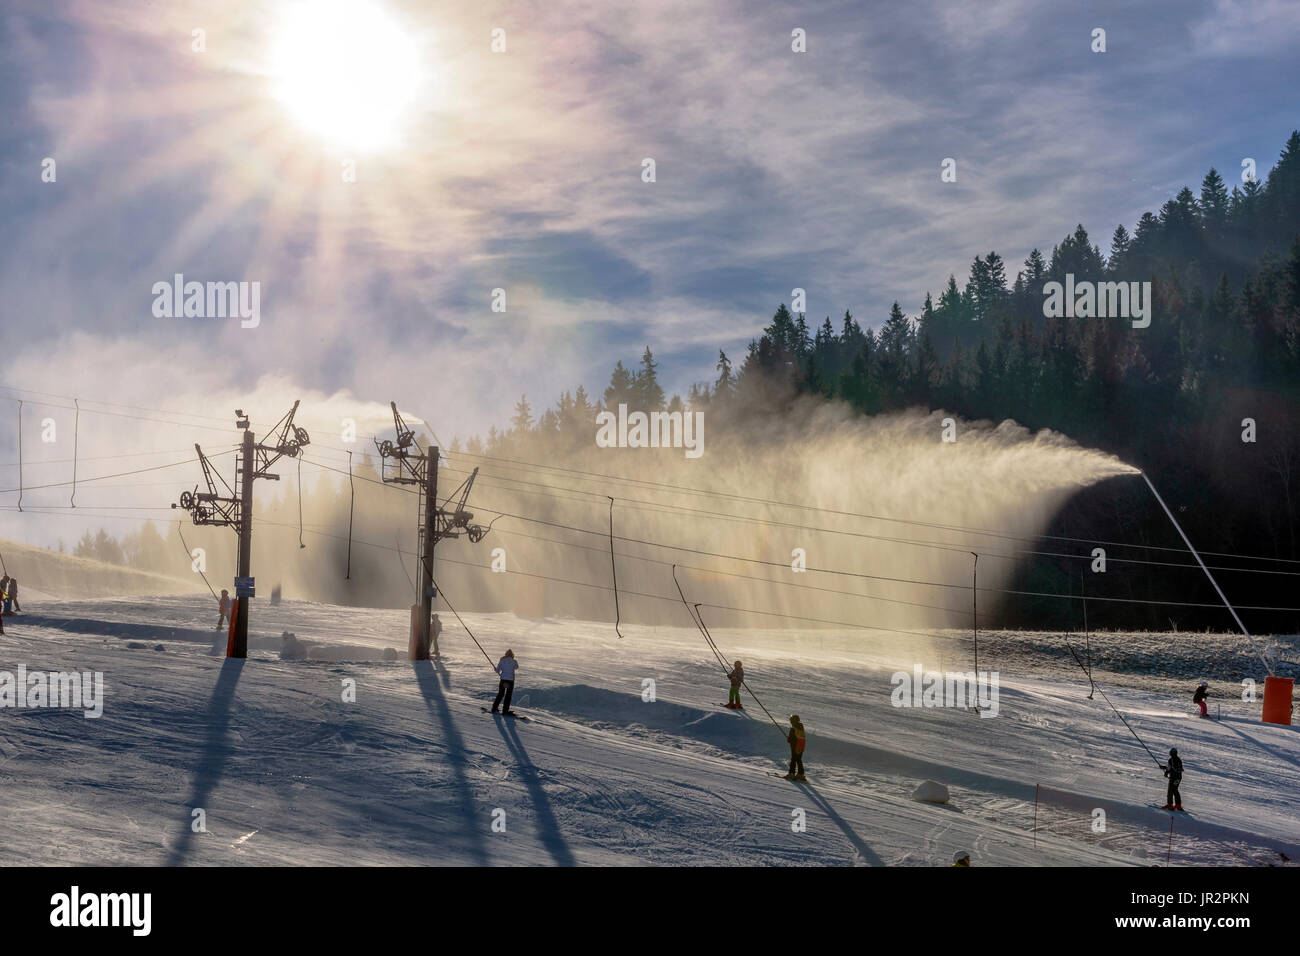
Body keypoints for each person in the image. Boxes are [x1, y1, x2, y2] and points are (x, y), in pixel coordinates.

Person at [492, 649, 518, 715]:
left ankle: (494, 708)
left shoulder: (502, 660)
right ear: (512, 655)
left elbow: (498, 671)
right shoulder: (514, 661)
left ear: (506, 654)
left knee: (500, 694)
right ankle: (505, 711)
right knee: (508, 696)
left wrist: (495, 669)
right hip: (510, 681)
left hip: (503, 680)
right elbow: (516, 667)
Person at [785, 714, 807, 781]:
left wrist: (789, 739)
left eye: (791, 721)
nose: (790, 722)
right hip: (801, 746)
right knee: (798, 759)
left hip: (795, 746)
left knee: (793, 759)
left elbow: (791, 739)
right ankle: (801, 774)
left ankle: (791, 773)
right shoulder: (801, 727)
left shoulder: (793, 728)